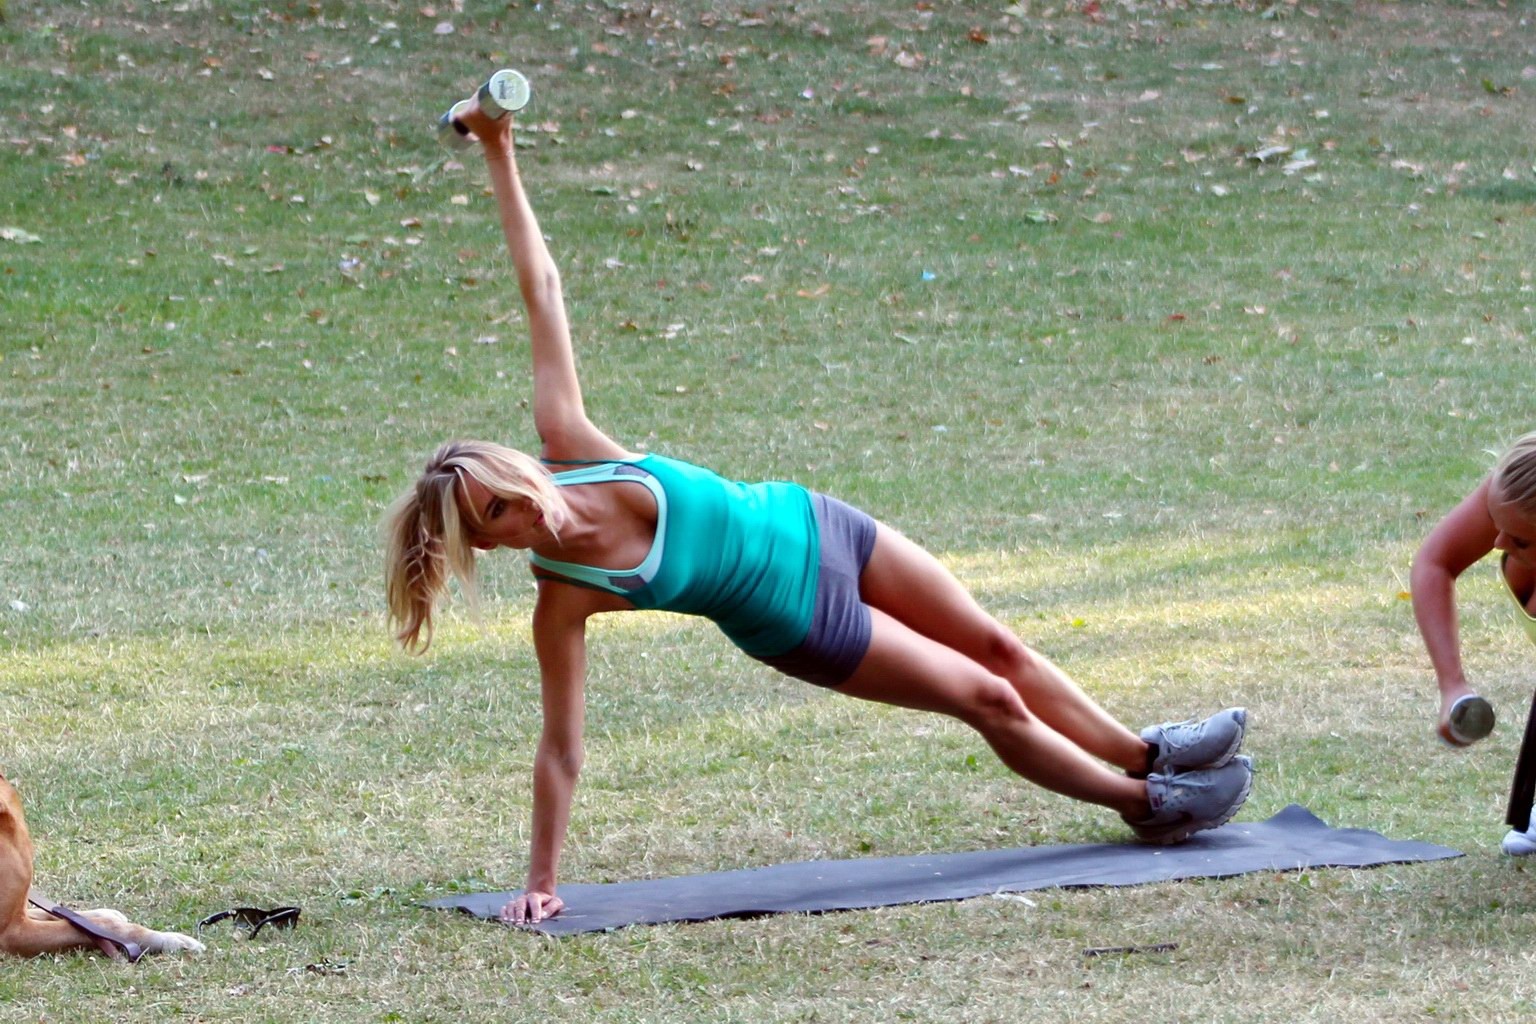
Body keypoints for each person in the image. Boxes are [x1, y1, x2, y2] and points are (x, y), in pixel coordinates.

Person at [383, 97, 1254, 926]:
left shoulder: (569, 440)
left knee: (1000, 646)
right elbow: (561, 748)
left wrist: (499, 151)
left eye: (508, 488)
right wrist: (541, 879)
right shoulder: (565, 594)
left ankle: (1149, 753)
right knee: (986, 697)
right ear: (488, 543)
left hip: (819, 522)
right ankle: (1146, 805)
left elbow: (542, 285)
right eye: (497, 517)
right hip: (802, 618)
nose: (521, 511)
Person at [1411, 430, 1536, 854]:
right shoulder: (1521, 485)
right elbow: (1436, 562)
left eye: (1519, 539)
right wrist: (1453, 686)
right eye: (1496, 522)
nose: (1497, 542)